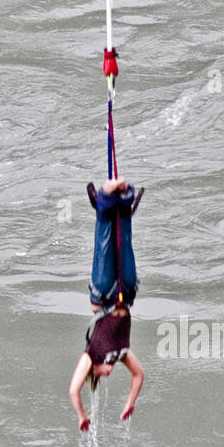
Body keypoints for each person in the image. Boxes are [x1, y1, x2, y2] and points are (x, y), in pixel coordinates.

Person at [68, 177, 144, 432]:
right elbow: (139, 375)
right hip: (127, 291)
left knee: (104, 246)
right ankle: (122, 203)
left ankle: (104, 198)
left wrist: (81, 416)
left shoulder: (91, 357)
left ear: (94, 372)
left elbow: (72, 391)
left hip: (103, 295)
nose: (108, 374)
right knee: (125, 242)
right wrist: (129, 403)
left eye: (102, 375)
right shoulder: (121, 355)